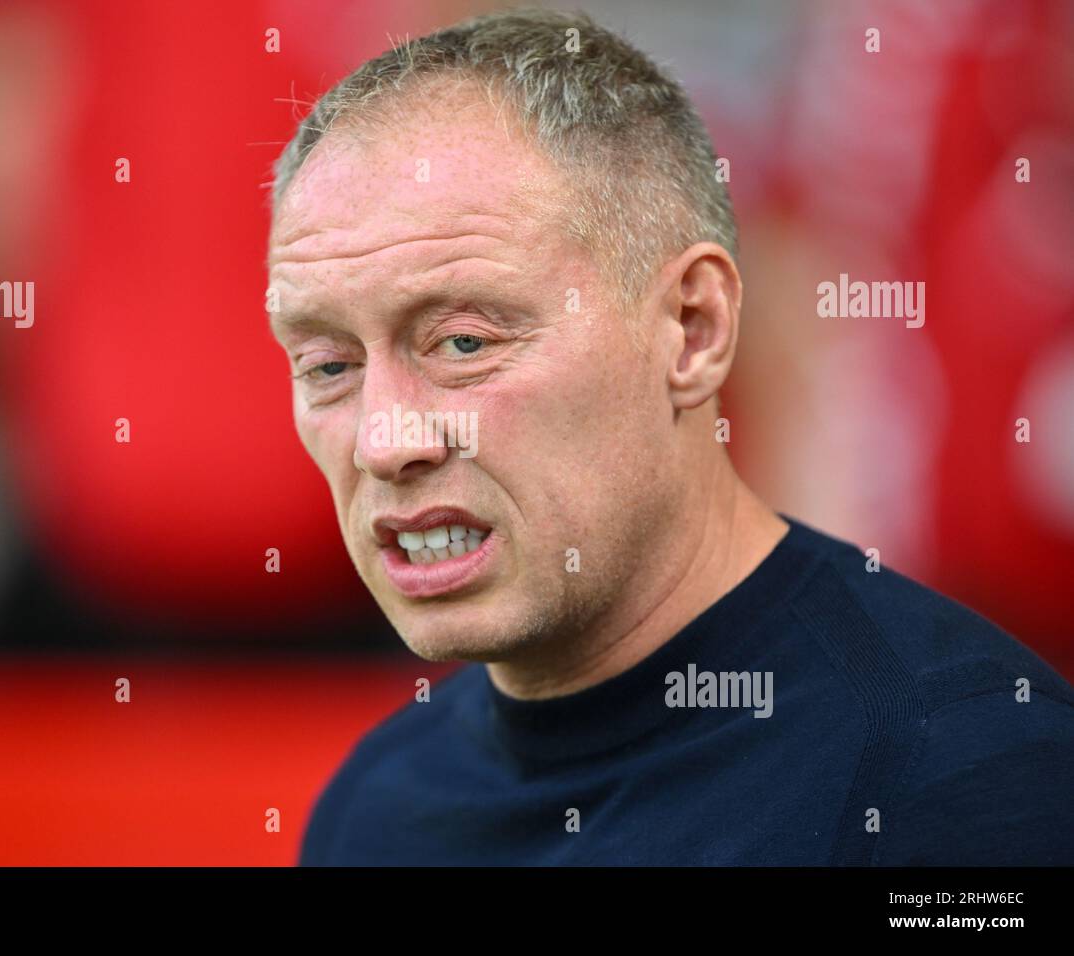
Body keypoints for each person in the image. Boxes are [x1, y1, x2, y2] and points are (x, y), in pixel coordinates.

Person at [264, 8, 1074, 865]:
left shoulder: (965, 781)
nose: (384, 443)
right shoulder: (374, 810)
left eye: (465, 342)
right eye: (327, 366)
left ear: (692, 329)